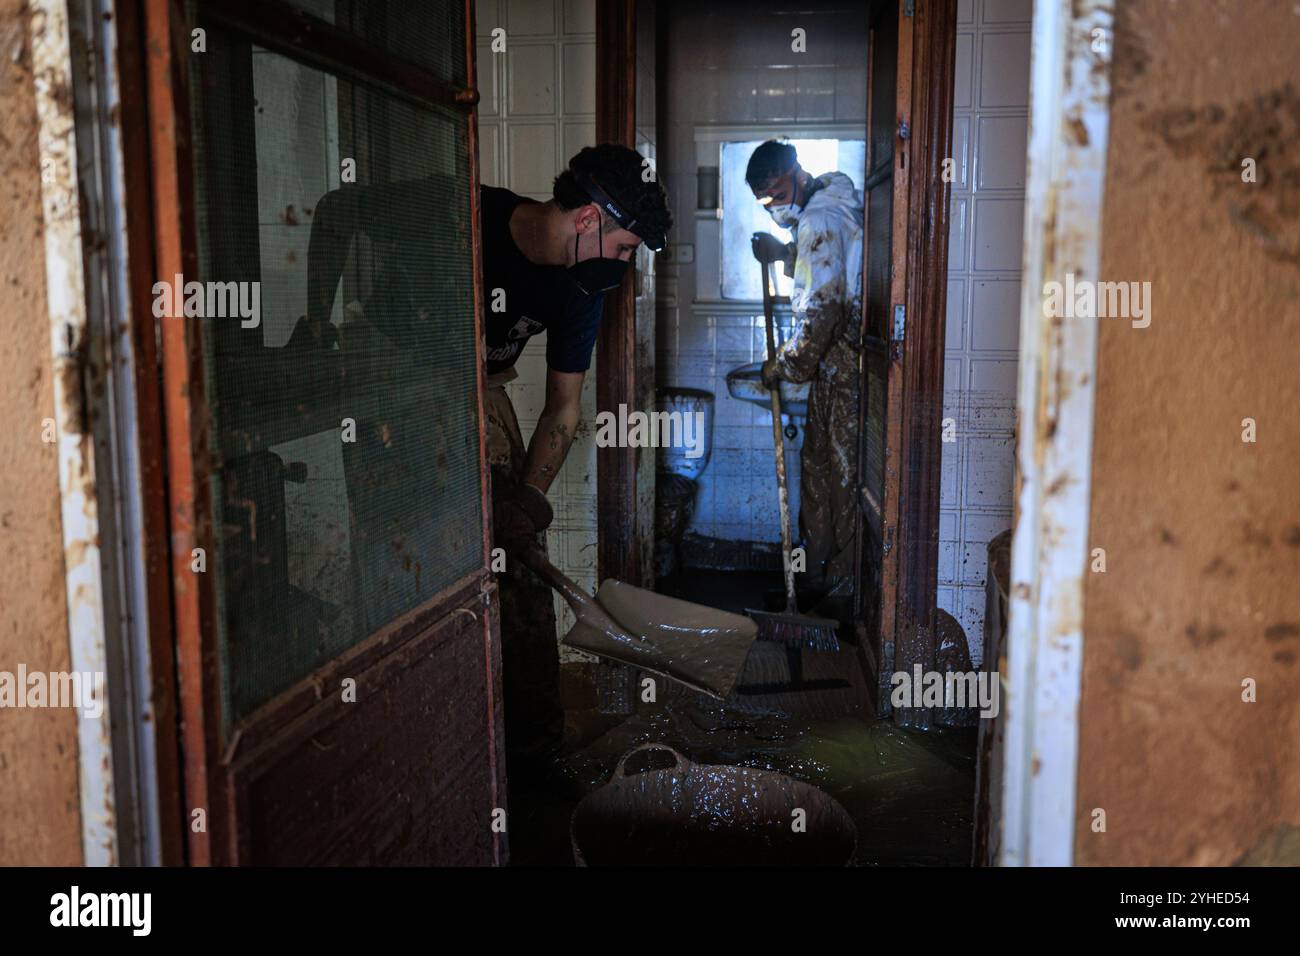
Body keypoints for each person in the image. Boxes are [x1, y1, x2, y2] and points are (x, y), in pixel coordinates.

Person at [479, 145, 671, 782]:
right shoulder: (464, 212)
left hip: (481, 393)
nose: (623, 266)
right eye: (623, 248)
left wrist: (529, 499)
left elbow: (564, 407)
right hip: (394, 395)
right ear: (589, 218)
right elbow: (341, 210)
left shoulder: (581, 287)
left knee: (520, 583)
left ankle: (533, 759)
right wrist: (319, 313)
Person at [746, 140, 863, 602]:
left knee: (837, 480)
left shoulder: (820, 218)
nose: (774, 205)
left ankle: (839, 594)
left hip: (841, 370)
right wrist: (784, 251)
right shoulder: (827, 208)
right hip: (834, 373)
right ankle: (817, 581)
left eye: (777, 192)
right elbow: (822, 261)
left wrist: (785, 365)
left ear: (797, 171)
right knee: (819, 471)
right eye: (765, 201)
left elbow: (823, 311)